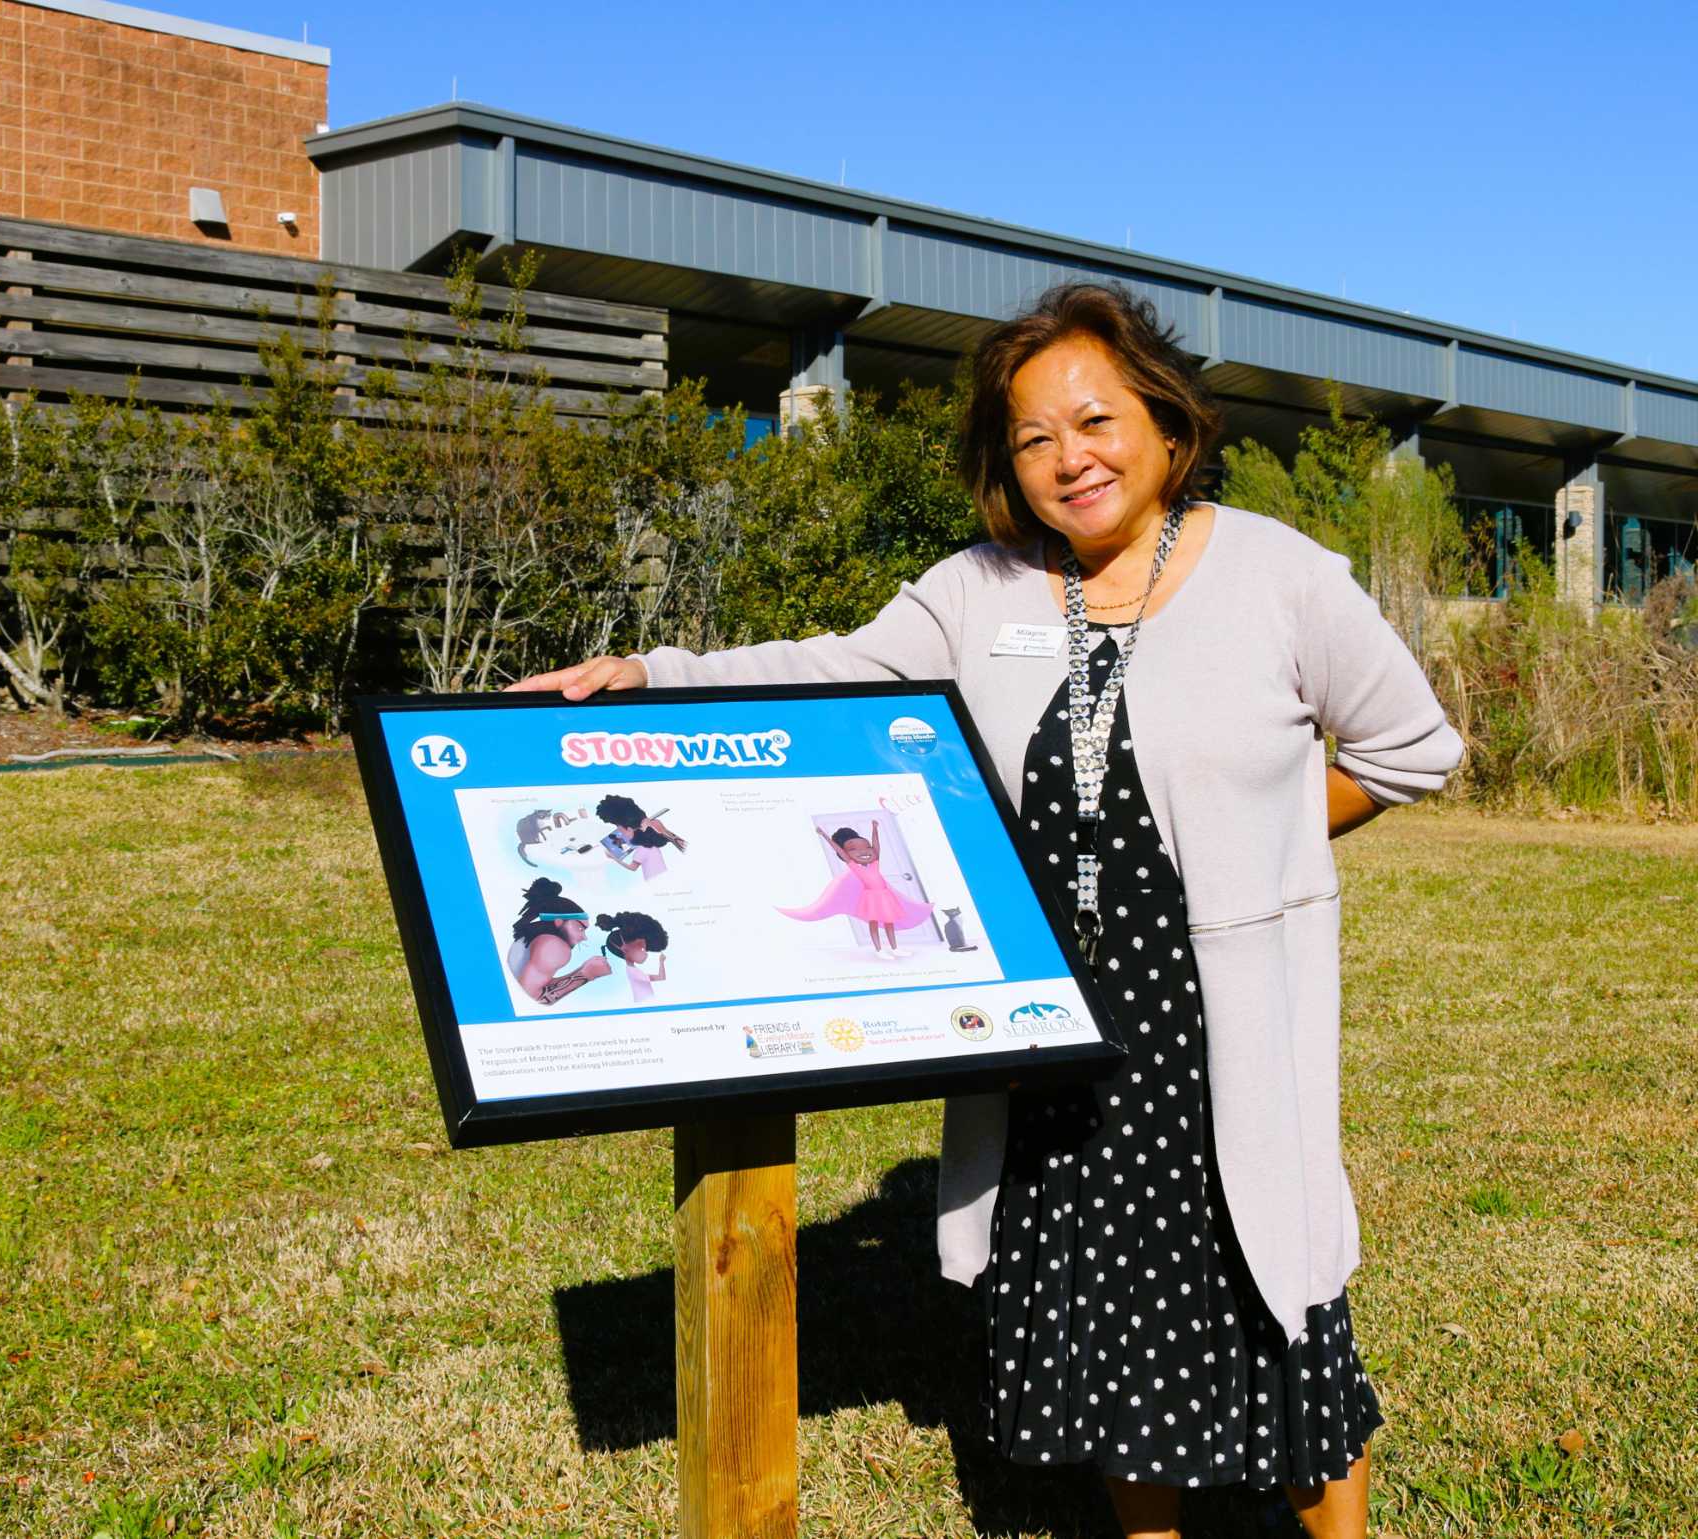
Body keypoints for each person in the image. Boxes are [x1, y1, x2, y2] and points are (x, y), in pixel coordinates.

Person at [509, 281, 1463, 1539]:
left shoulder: (1278, 576)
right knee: (1113, 1305)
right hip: (1050, 1027)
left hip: (1214, 1022)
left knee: (1272, 1287)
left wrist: (1258, 848)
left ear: (1164, 423)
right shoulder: (979, 590)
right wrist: (649, 676)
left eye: (1095, 420)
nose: (1070, 458)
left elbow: (1410, 748)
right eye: (1032, 438)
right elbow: (827, 668)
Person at [777, 822, 937, 958]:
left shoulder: (875, 863)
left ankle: (895, 948)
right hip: (872, 898)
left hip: (885, 896)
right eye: (853, 849)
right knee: (873, 922)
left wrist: (875, 829)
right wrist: (824, 836)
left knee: (889, 921)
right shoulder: (853, 866)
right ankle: (879, 950)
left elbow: (876, 845)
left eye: (867, 847)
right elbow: (839, 850)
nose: (864, 851)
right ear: (846, 854)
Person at [507, 877, 611, 1006]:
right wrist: (586, 974)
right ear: (559, 922)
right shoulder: (554, 945)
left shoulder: (538, 941)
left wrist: (584, 970)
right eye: (580, 928)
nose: (584, 937)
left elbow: (538, 984)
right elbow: (532, 998)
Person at [594, 794, 687, 880]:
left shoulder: (642, 849)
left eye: (620, 830)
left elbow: (632, 868)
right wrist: (664, 831)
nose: (620, 833)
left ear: (629, 829)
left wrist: (613, 857)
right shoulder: (647, 845)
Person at [596, 910, 670, 1001]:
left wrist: (661, 961)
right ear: (624, 948)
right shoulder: (633, 972)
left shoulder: (633, 970)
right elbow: (661, 978)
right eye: (640, 947)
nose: (645, 952)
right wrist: (661, 962)